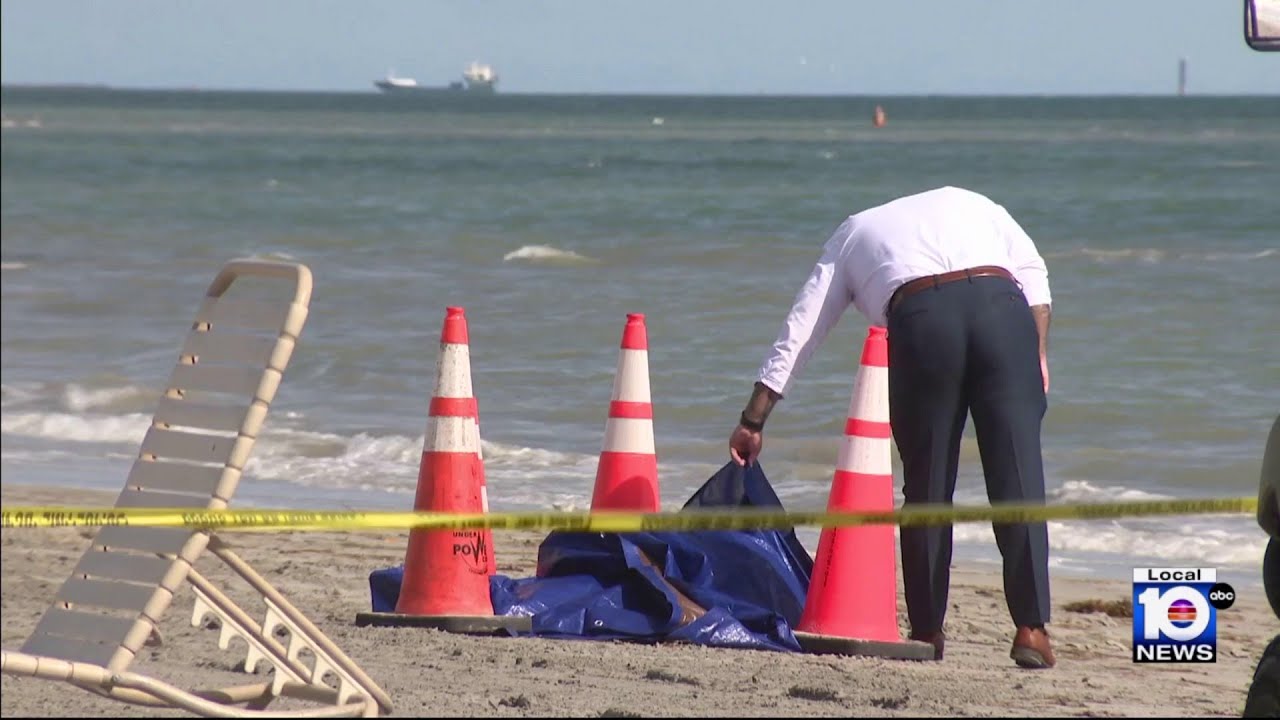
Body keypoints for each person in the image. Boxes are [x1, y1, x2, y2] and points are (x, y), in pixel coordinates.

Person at [729, 185, 1056, 668]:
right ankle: (1030, 629)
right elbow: (1034, 275)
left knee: (926, 486)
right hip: (1003, 310)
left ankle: (927, 631)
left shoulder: (853, 231)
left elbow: (805, 323)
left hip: (922, 319)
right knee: (1019, 478)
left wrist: (755, 416)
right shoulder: (973, 201)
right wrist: (1039, 352)